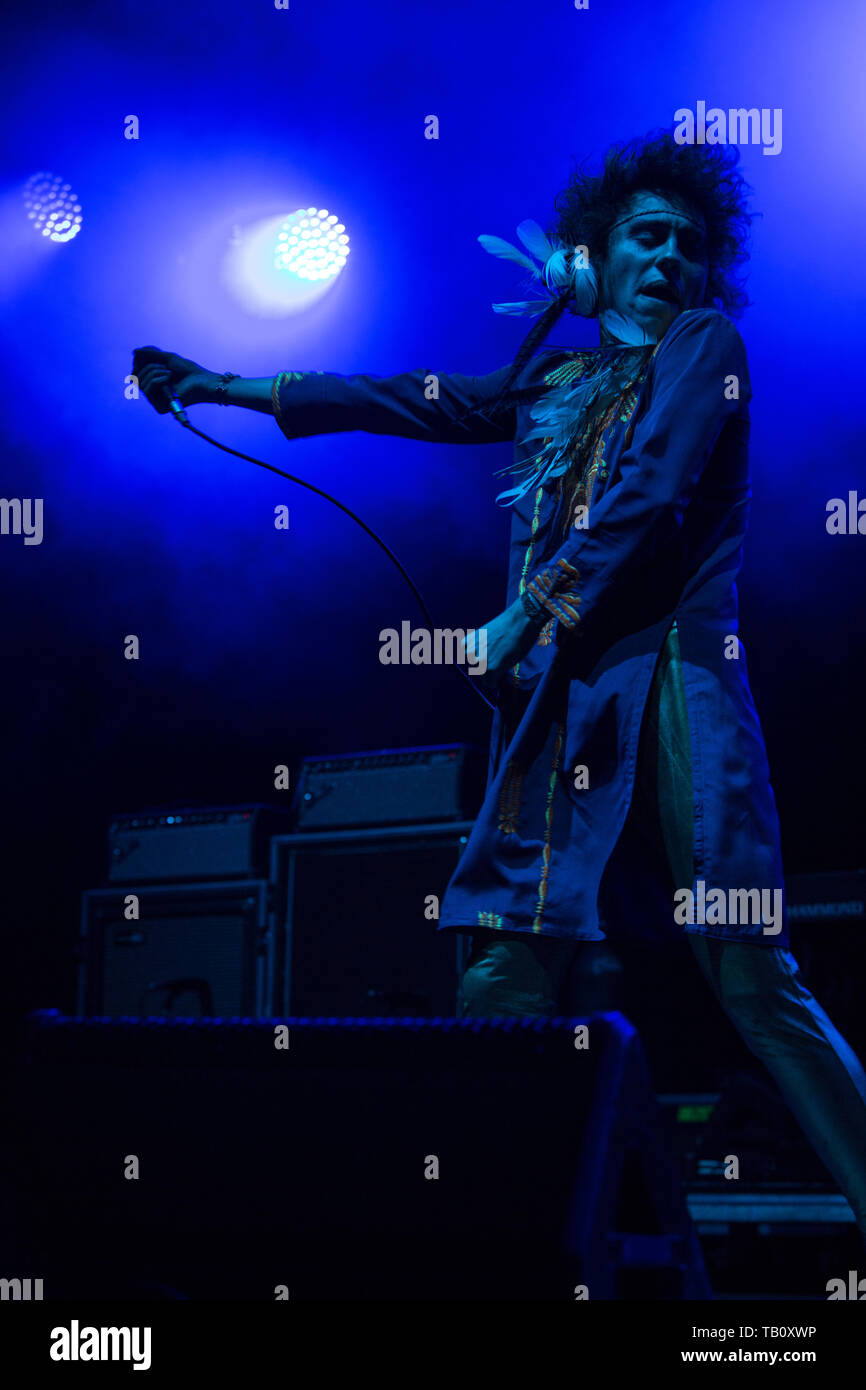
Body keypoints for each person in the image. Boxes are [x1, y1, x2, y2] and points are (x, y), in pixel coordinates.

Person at [134, 131, 866, 1237]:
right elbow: (412, 399)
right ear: (596, 256)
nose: (670, 258)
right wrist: (226, 384)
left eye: (689, 244)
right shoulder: (554, 376)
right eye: (645, 237)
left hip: (671, 671)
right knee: (504, 958)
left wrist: (528, 607)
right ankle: (490, 1238)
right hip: (565, 694)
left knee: (748, 969)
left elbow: (648, 490)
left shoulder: (708, 345)